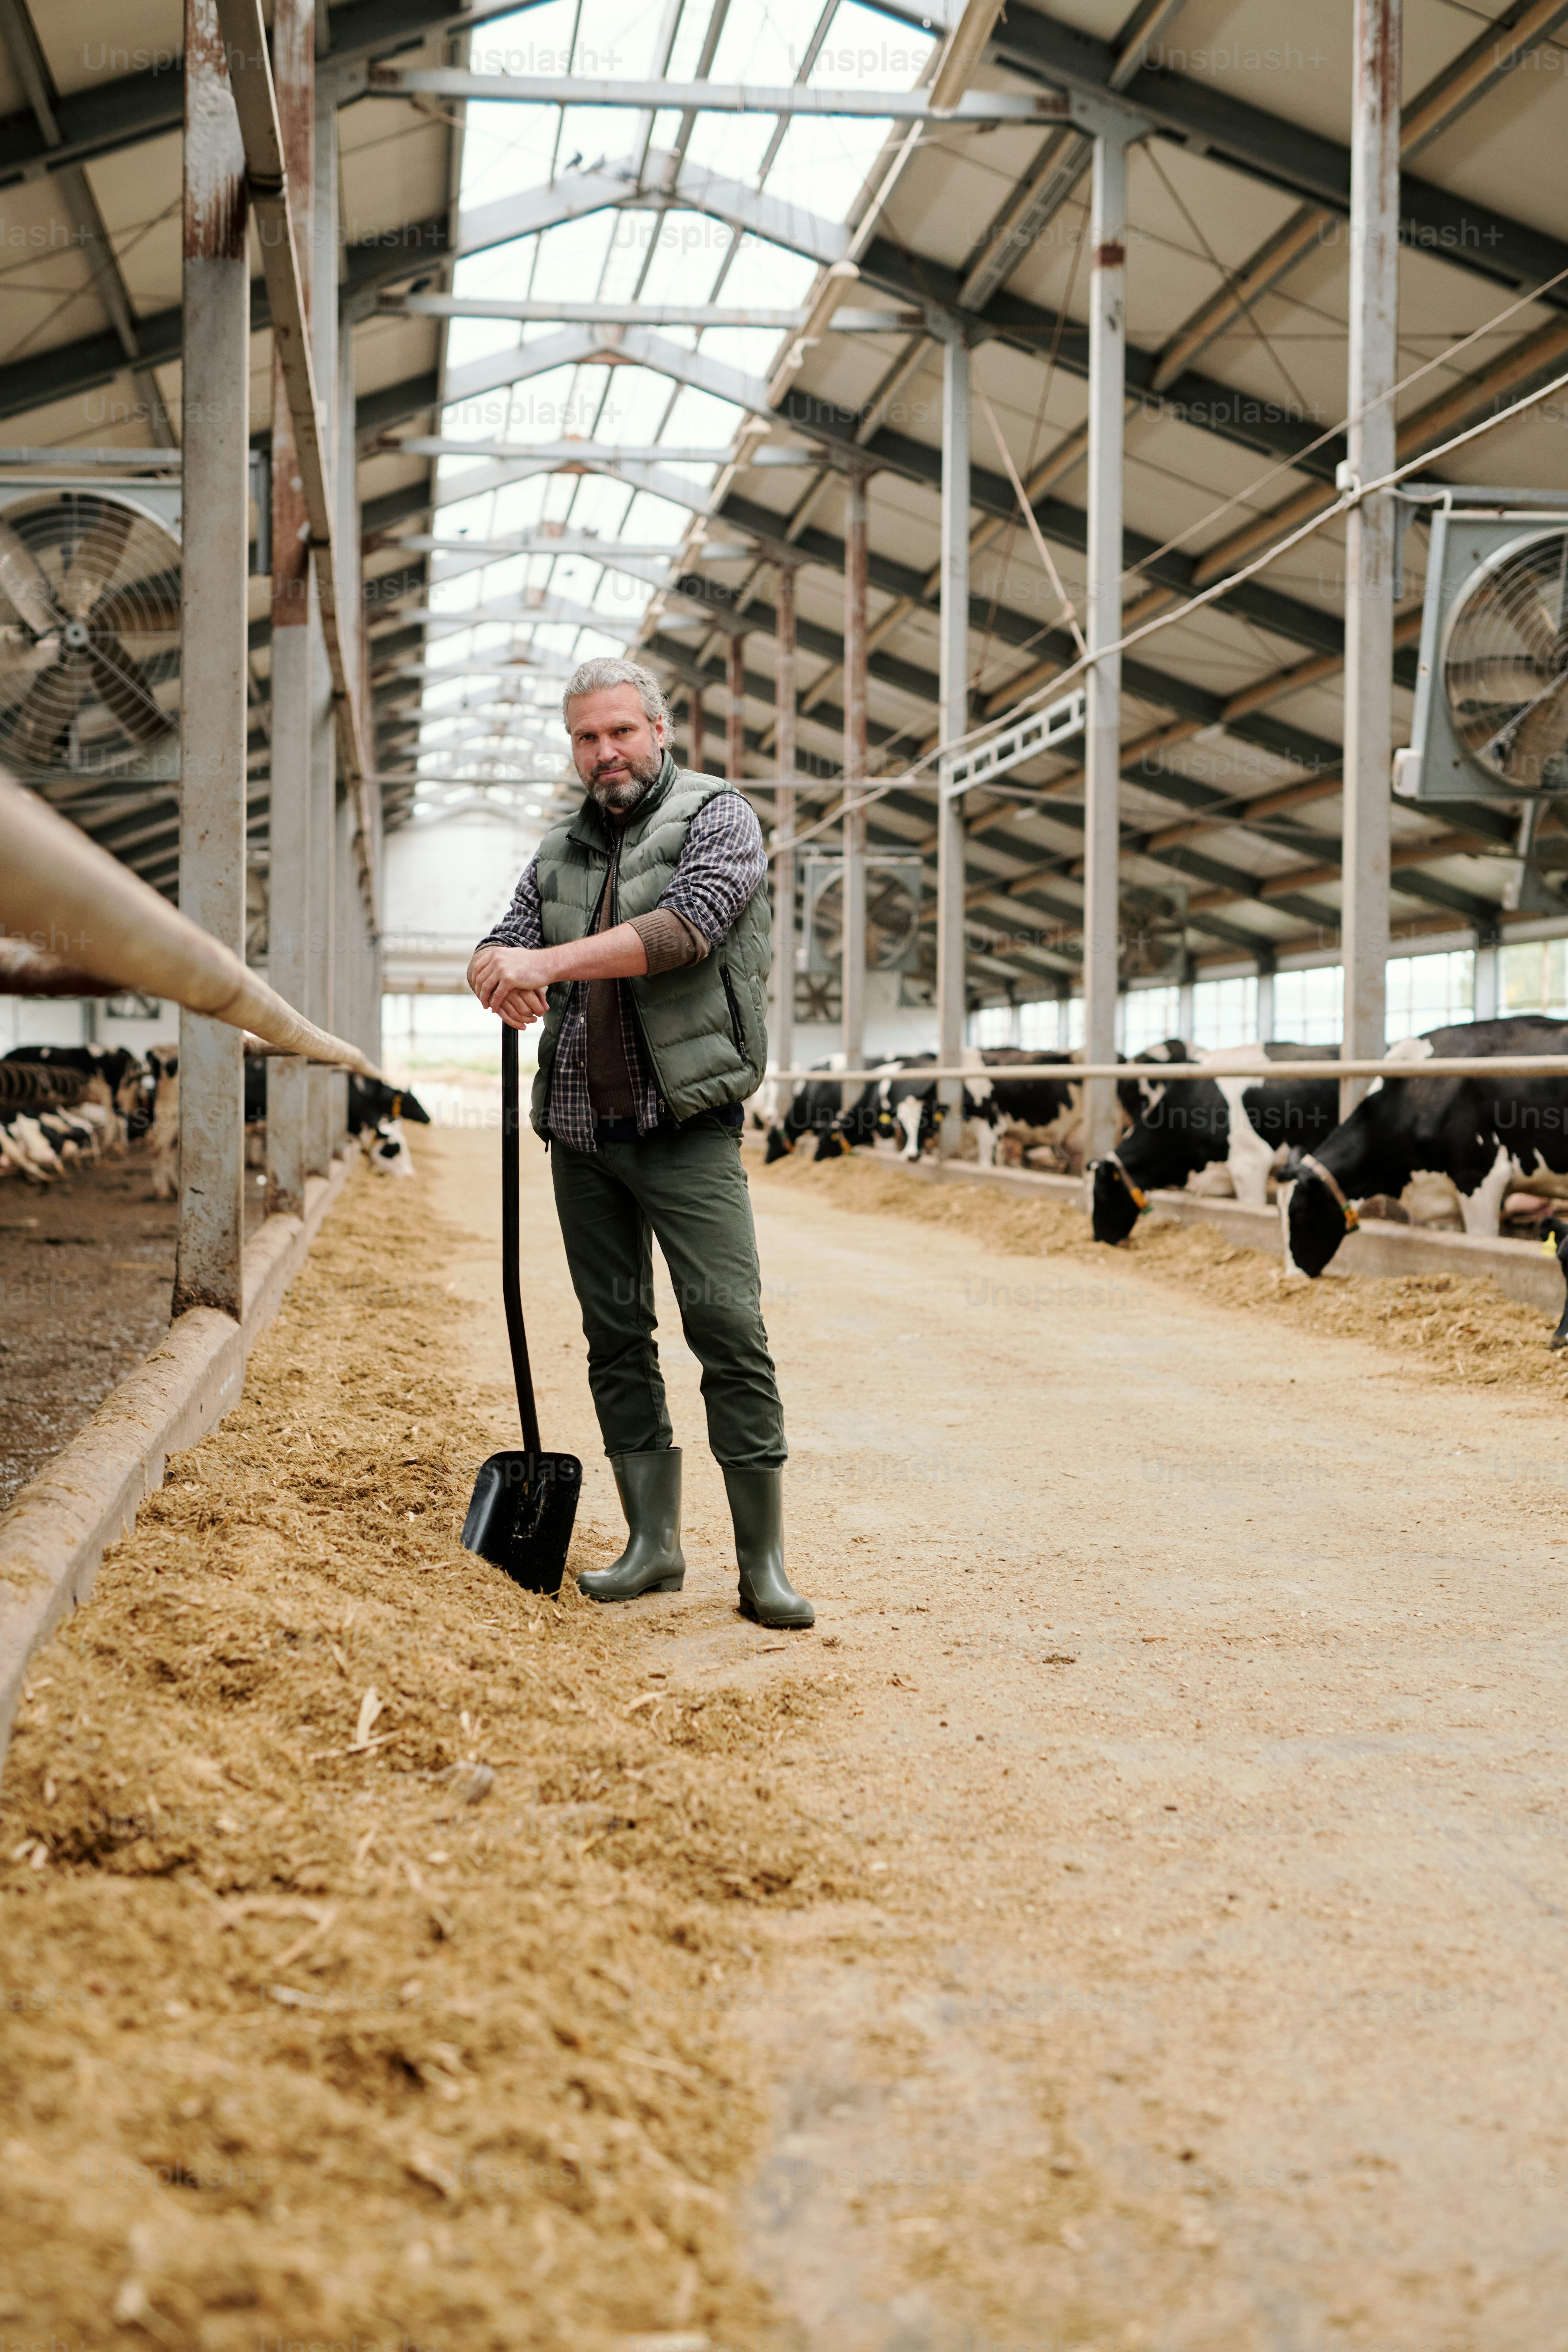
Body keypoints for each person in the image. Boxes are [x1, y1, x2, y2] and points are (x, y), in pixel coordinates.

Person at [467, 655, 814, 1631]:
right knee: (617, 1340)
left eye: (621, 731)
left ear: (659, 731)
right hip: (582, 1138)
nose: (605, 752)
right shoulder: (559, 850)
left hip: (685, 1130)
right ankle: (653, 1547)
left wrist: (546, 961)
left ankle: (764, 1565)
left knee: (730, 1332)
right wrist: (494, 970)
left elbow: (686, 929)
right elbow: (504, 938)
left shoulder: (720, 816)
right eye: (586, 737)